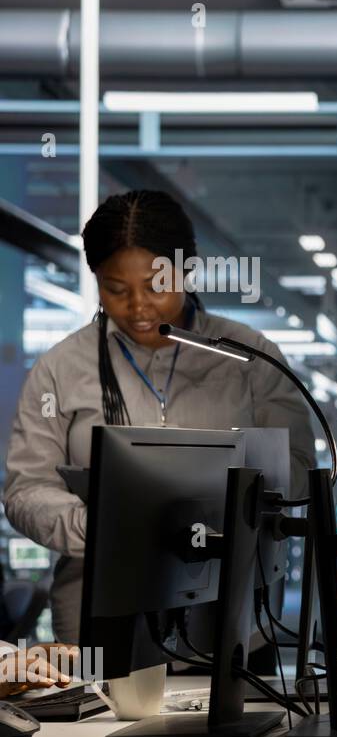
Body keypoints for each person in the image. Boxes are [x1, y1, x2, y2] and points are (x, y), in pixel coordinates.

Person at [3, 190, 315, 643]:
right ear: (95, 278)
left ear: (187, 271)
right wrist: (107, 526)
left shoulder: (250, 357)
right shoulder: (61, 367)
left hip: (232, 617)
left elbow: (300, 467)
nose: (138, 306)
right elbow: (25, 490)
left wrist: (233, 511)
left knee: (238, 714)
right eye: (115, 289)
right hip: (101, 619)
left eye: (156, 286)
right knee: (110, 714)